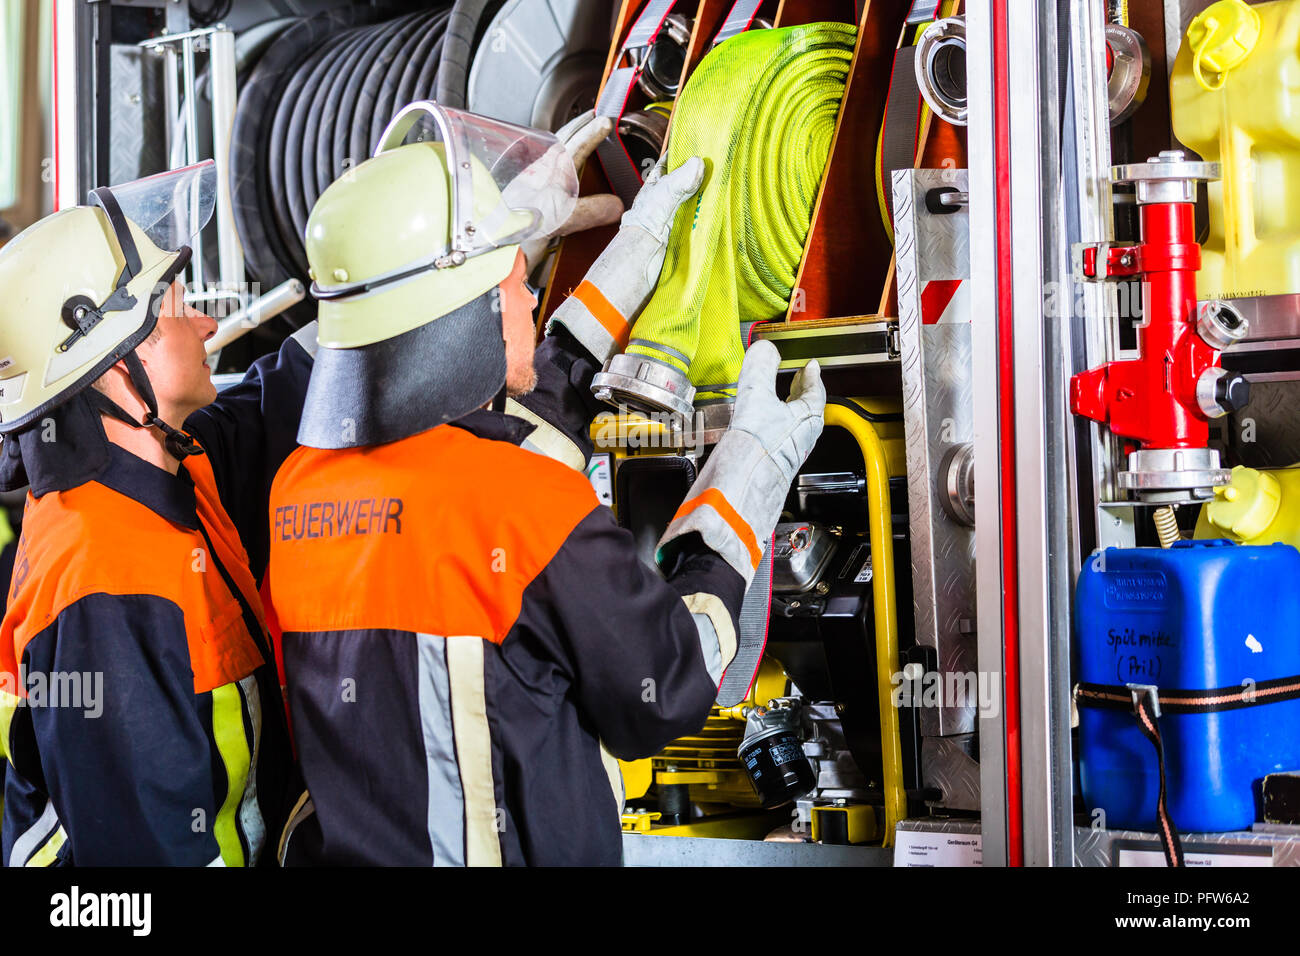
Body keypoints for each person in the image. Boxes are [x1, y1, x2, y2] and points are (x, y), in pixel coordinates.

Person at [266, 104, 826, 865]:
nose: (533, 299)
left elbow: (473, 430)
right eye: (516, 285)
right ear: (461, 322)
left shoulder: (298, 490)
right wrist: (746, 482)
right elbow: (666, 686)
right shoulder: (524, 505)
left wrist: (628, 267)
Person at [0, 162, 309, 865]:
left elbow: (276, 397)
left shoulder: (167, 467)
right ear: (113, 361)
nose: (203, 321)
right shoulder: (103, 587)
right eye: (172, 308)